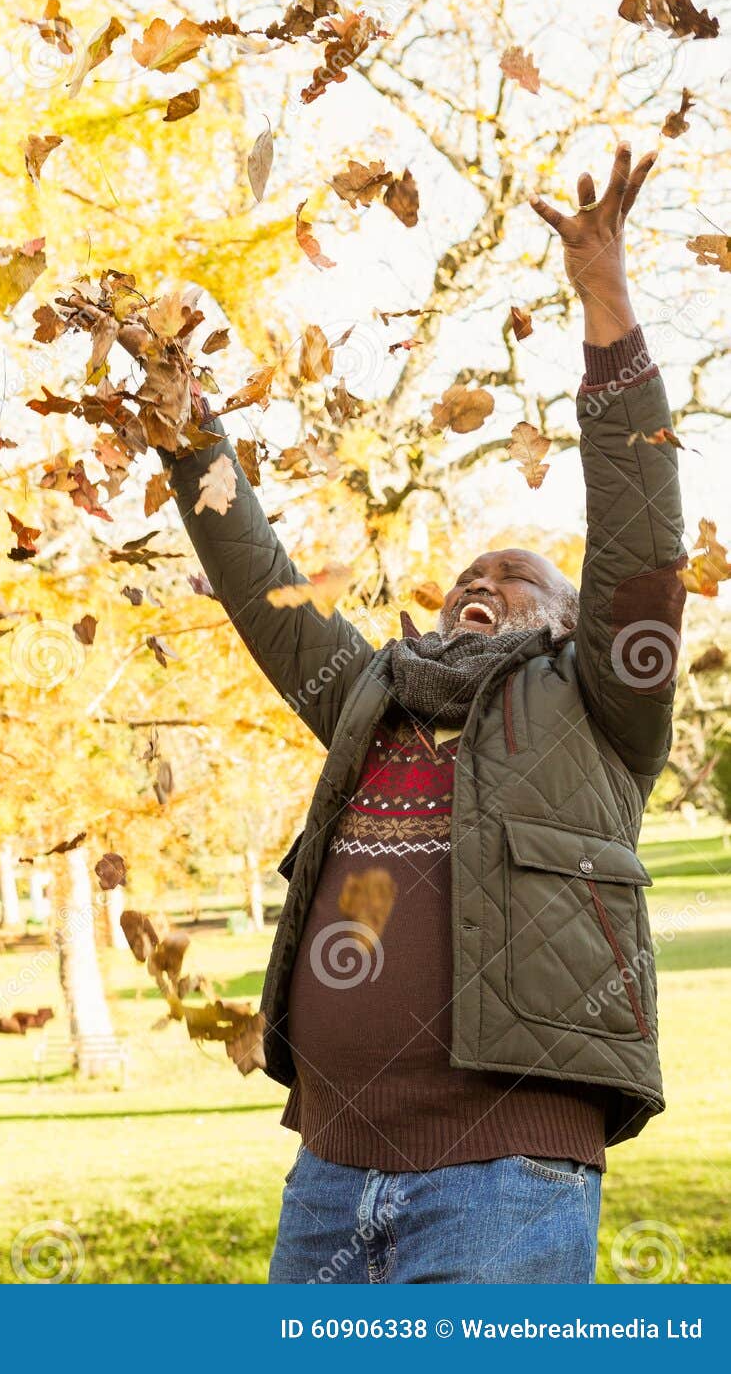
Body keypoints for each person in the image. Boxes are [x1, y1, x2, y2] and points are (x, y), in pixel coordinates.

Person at [159, 145, 685, 1284]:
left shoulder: (596, 707)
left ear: (564, 623)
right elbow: (264, 591)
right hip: (328, 1173)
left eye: (515, 577)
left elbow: (639, 553)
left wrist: (603, 300)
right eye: (464, 578)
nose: (478, 583)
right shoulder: (370, 697)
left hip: (505, 1175)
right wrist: (186, 437)